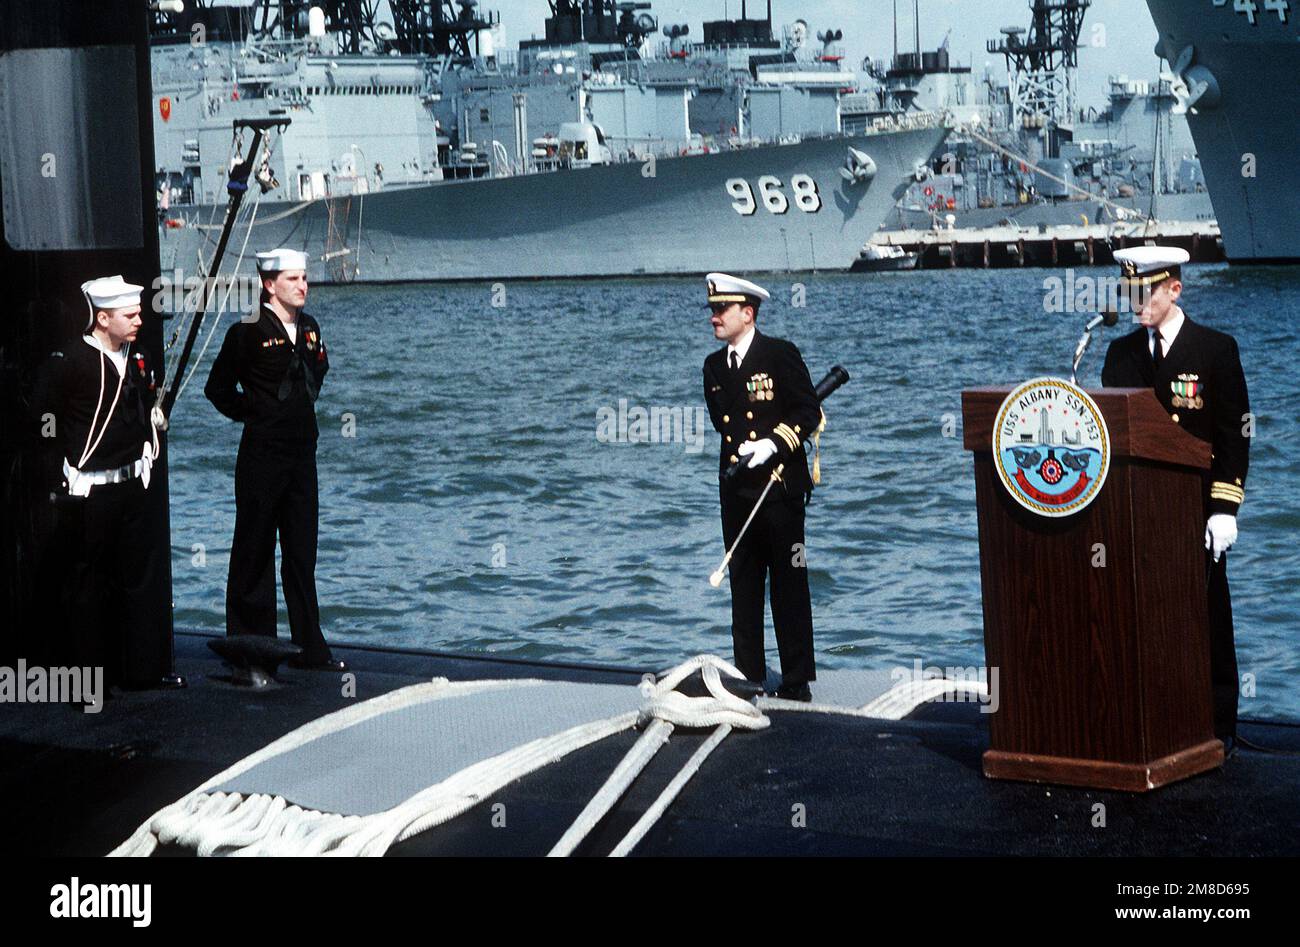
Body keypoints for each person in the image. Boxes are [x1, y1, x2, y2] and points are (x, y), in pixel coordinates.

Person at [1100, 245, 1250, 744]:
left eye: (1145, 292)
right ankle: (1154, 723)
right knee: (1143, 614)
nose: (1136, 302)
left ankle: (1217, 727)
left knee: (1205, 614)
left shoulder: (1214, 350)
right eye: (1130, 293)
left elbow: (1234, 436)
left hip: (1195, 511)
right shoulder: (1119, 354)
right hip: (1137, 511)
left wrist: (1225, 509)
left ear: (1174, 289)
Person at [35, 275, 185, 692]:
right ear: (103, 318)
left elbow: (145, 400)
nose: (139, 320)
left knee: (137, 580)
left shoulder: (138, 357)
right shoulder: (71, 361)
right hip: (91, 491)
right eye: (130, 314)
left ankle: (140, 671)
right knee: (88, 586)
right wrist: (58, 463)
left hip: (133, 484)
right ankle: (87, 683)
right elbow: (39, 413)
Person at [204, 248, 345, 671]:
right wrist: (256, 414)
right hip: (262, 456)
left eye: (305, 278)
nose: (303, 286)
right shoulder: (246, 331)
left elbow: (317, 371)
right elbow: (218, 389)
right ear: (269, 284)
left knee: (302, 553)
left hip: (302, 454)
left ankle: (309, 649)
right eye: (293, 279)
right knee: (255, 551)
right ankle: (253, 649)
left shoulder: (310, 328)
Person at [702, 273, 822, 701]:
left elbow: (808, 411)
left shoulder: (779, 355)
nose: (714, 317)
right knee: (744, 586)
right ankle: (747, 678)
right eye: (713, 310)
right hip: (737, 493)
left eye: (722, 310)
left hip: (779, 490)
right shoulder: (714, 368)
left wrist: (773, 442)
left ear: (747, 314)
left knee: (789, 583)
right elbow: (724, 424)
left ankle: (796, 681)